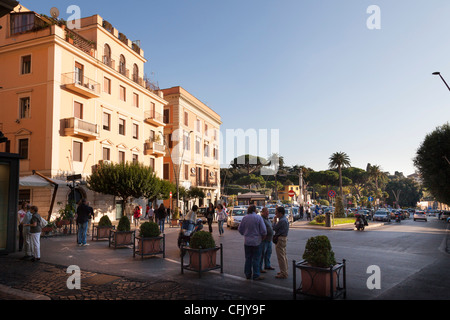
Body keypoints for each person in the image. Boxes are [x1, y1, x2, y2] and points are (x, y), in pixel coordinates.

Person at [238, 205, 267, 280]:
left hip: (247, 241)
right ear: (255, 210)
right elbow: (263, 230)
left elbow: (240, 229)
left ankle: (248, 274)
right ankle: (256, 275)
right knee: (256, 259)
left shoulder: (245, 218)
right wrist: (262, 237)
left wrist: (245, 234)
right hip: (256, 241)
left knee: (248, 258)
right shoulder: (258, 218)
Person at [273, 206, 289, 279]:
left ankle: (283, 273)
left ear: (280, 213)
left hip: (280, 238)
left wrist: (274, 221)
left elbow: (275, 228)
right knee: (284, 255)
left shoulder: (282, 221)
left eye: (276, 213)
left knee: (281, 257)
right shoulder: (285, 219)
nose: (275, 214)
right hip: (284, 238)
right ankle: (284, 270)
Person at [259, 207, 274, 273]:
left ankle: (267, 265)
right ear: (263, 212)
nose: (267, 213)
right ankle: (260, 268)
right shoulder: (261, 219)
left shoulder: (267, 219)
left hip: (269, 240)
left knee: (268, 253)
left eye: (268, 212)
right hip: (264, 240)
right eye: (266, 212)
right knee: (262, 254)